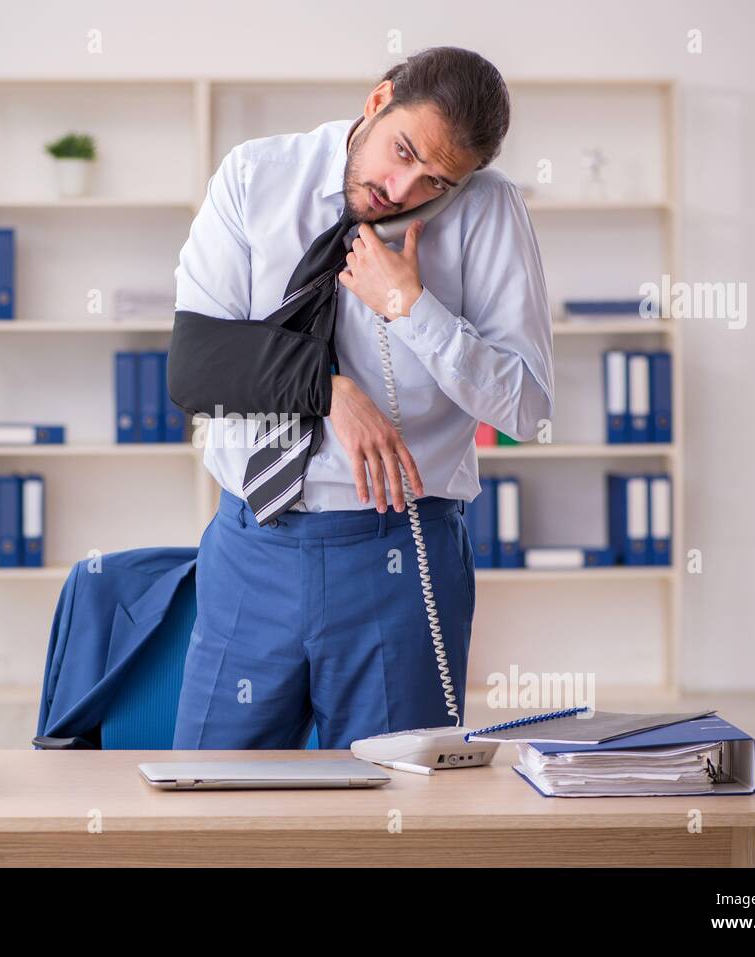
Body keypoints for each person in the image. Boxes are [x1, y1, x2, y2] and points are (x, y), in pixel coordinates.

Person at [171, 46, 554, 750]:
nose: (401, 188)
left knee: (396, 820)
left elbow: (527, 407)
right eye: (401, 152)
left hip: (400, 557)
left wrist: (412, 306)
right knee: (209, 801)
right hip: (252, 547)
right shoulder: (257, 176)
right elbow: (195, 367)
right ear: (378, 101)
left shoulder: (488, 209)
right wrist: (327, 389)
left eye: (434, 180)